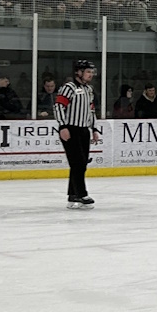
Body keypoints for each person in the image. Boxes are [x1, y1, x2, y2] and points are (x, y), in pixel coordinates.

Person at [54, 58, 98, 209]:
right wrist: (62, 126)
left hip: (84, 129)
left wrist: (94, 129)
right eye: (87, 72)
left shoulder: (89, 90)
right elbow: (59, 107)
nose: (90, 75)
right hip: (71, 129)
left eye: (91, 72)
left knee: (81, 163)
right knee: (77, 162)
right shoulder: (69, 87)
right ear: (78, 72)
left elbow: (91, 111)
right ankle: (81, 193)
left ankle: (73, 195)